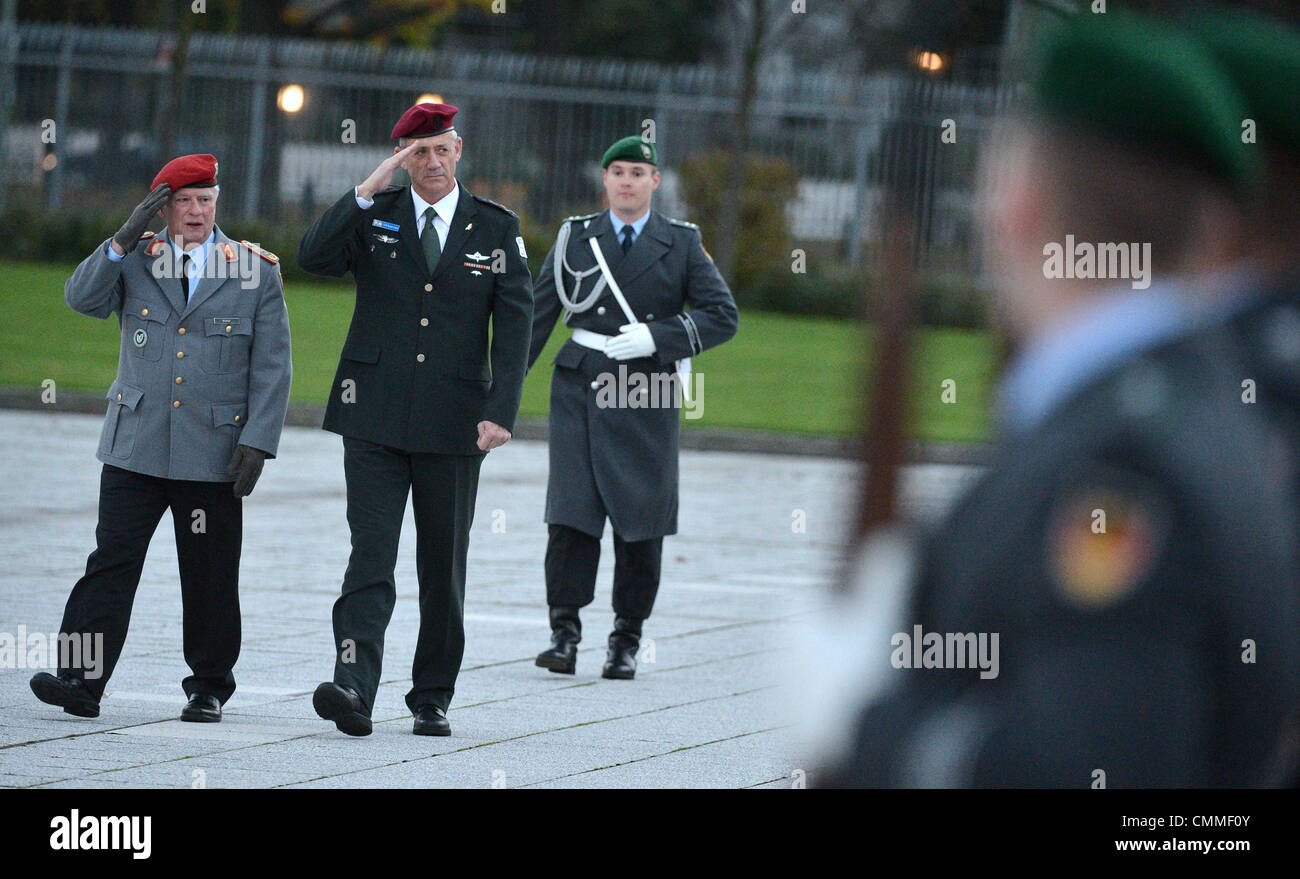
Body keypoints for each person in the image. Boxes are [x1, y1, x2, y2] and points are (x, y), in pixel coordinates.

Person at [819, 11, 1300, 787]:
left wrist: (871, 725)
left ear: (1018, 202)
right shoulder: (1190, 402)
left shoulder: (1121, 466)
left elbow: (1100, 772)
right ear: (1209, 231)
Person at [30, 154, 293, 724]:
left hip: (214, 449)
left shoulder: (253, 270)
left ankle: (208, 687)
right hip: (137, 445)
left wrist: (259, 441)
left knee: (210, 572)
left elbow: (273, 366)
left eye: (205, 200)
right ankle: (80, 679)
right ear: (162, 207)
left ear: (217, 203)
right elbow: (80, 298)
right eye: (183, 201)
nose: (195, 211)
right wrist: (121, 240)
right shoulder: (134, 261)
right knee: (111, 562)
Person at [298, 102, 533, 737]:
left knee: (442, 565)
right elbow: (313, 257)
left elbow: (515, 326)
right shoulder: (376, 216)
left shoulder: (494, 228)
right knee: (369, 558)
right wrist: (365, 190)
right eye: (417, 153)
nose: (431, 163)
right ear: (402, 158)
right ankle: (353, 686)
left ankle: (432, 695)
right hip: (371, 414)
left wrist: (500, 412)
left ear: (460, 151)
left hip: (454, 423)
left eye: (441, 149)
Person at [527, 136, 738, 680]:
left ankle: (626, 638)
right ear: (605, 180)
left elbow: (721, 315)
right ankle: (564, 632)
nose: (626, 181)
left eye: (637, 173)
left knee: (641, 519)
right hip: (580, 384)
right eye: (617, 171)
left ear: (655, 182)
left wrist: (658, 338)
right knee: (570, 513)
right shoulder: (577, 236)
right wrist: (494, 392)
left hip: (646, 389)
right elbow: (538, 317)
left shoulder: (683, 243)